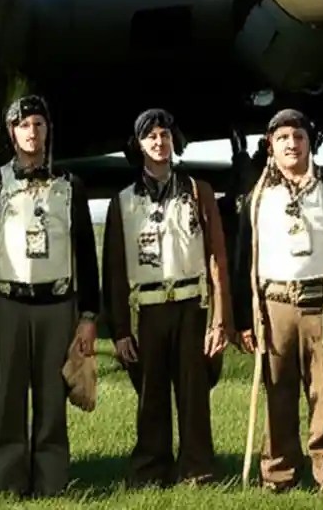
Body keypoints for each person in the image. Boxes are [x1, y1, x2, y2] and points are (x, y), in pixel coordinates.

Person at [0, 95, 100, 497]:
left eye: (39, 124)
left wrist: (88, 315)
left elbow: (86, 252)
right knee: (8, 395)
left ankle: (51, 481)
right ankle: (8, 481)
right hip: (8, 304)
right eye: (24, 125)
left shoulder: (70, 186)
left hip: (56, 304)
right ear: (12, 133)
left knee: (52, 395)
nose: (32, 132)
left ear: (48, 130)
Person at [234, 108, 323, 494]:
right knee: (278, 391)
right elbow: (244, 258)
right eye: (283, 138)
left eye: (299, 137)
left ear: (310, 142)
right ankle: (279, 474)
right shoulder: (257, 194)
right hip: (274, 306)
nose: (292, 144)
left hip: (321, 305)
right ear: (270, 146)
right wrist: (244, 320)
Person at [101, 108, 231, 488]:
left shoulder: (197, 191)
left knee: (194, 394)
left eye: (165, 135)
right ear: (139, 144)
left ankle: (197, 467)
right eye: (151, 136)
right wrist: (120, 330)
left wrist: (219, 320)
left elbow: (217, 258)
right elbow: (114, 271)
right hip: (148, 310)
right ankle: (150, 469)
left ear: (174, 141)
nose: (159, 142)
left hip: (191, 306)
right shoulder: (123, 202)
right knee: (151, 394)